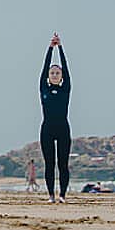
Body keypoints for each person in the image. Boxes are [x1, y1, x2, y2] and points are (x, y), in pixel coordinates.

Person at [39, 33, 72, 203]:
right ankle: (51, 195)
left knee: (63, 164)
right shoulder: (44, 89)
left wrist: (60, 48)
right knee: (49, 164)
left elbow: (66, 69)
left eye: (57, 73)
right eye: (52, 73)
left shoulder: (65, 89)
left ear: (61, 76)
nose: (54, 75)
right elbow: (44, 68)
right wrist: (50, 48)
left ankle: (62, 195)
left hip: (63, 129)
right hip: (47, 129)